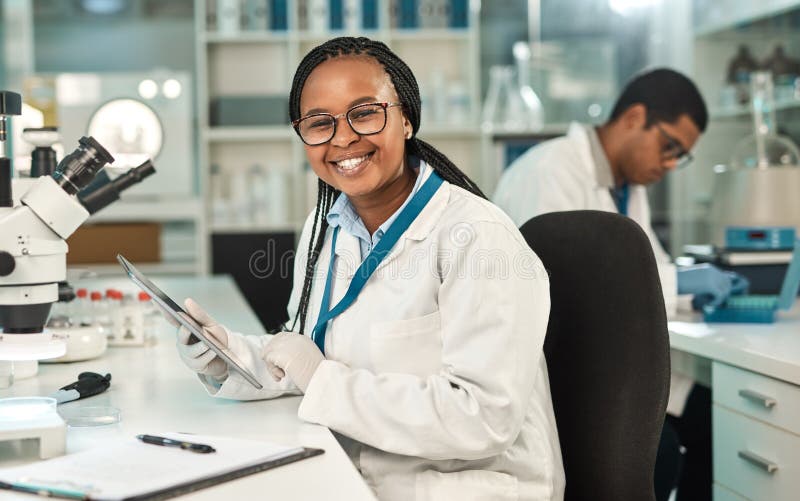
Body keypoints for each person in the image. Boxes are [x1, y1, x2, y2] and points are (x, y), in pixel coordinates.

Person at [170, 37, 564, 501]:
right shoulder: (325, 228)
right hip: (354, 475)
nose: (342, 138)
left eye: (364, 113)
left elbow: (483, 417)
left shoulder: (476, 235)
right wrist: (231, 359)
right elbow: (311, 350)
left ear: (406, 118)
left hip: (461, 489)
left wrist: (321, 380)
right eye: (320, 123)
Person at [493, 68, 742, 501]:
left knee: (717, 415)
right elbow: (560, 289)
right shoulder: (548, 172)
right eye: (669, 147)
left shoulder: (626, 184)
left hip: (609, 362)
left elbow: (646, 271)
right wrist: (680, 281)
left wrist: (690, 286)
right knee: (665, 450)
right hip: (559, 375)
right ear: (633, 117)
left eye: (679, 157)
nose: (668, 165)